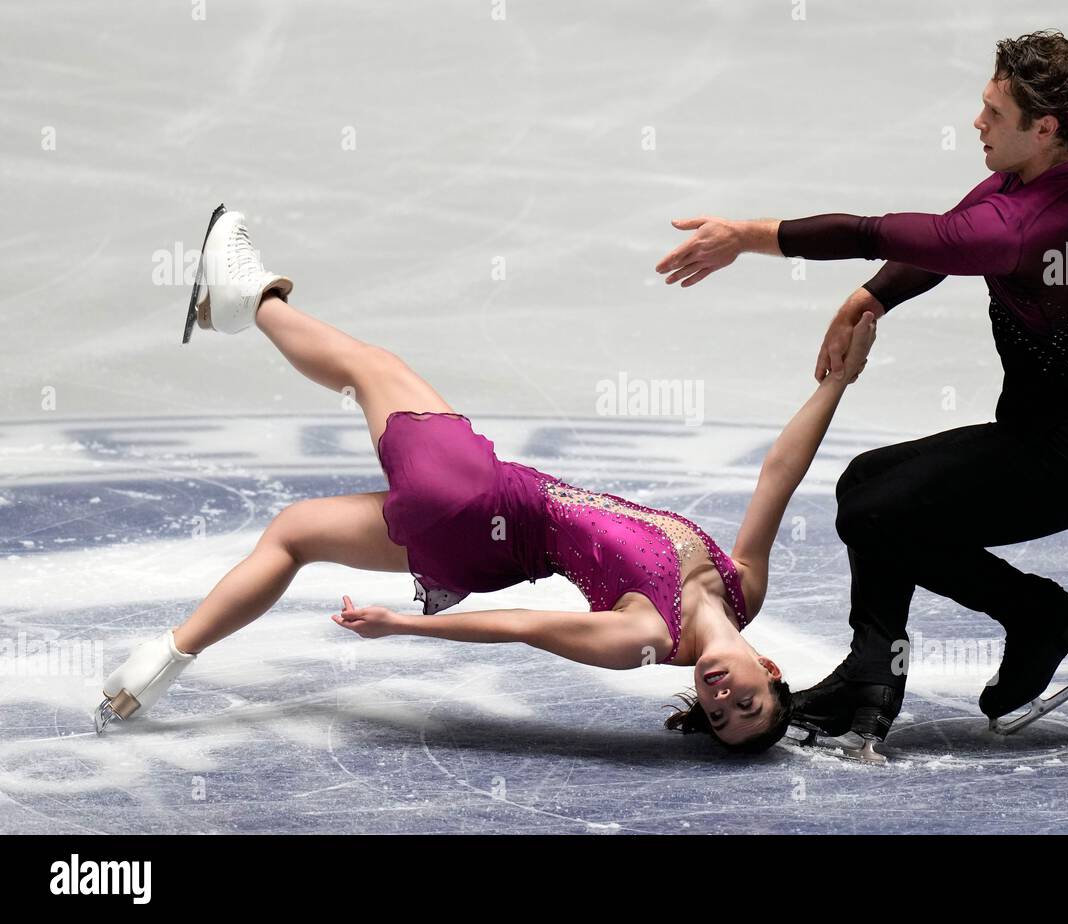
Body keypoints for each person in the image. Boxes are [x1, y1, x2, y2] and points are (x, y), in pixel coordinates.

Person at [95, 205, 878, 755]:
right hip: (488, 543)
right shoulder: (745, 587)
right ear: (769, 672)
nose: (721, 697)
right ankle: (160, 663)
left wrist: (406, 628)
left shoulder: (646, 639)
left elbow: (524, 629)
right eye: (746, 702)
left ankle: (249, 298)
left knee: (375, 368)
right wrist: (833, 388)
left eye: (718, 717)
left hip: (487, 502)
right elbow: (779, 473)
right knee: (296, 534)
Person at [655, 30, 1068, 748]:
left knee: (881, 512)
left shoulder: (1029, 225)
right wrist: (872, 299)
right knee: (868, 486)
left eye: (993, 112)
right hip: (1060, 431)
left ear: (1043, 129)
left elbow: (887, 232)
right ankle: (874, 670)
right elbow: (952, 237)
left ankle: (1021, 619)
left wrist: (745, 236)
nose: (975, 122)